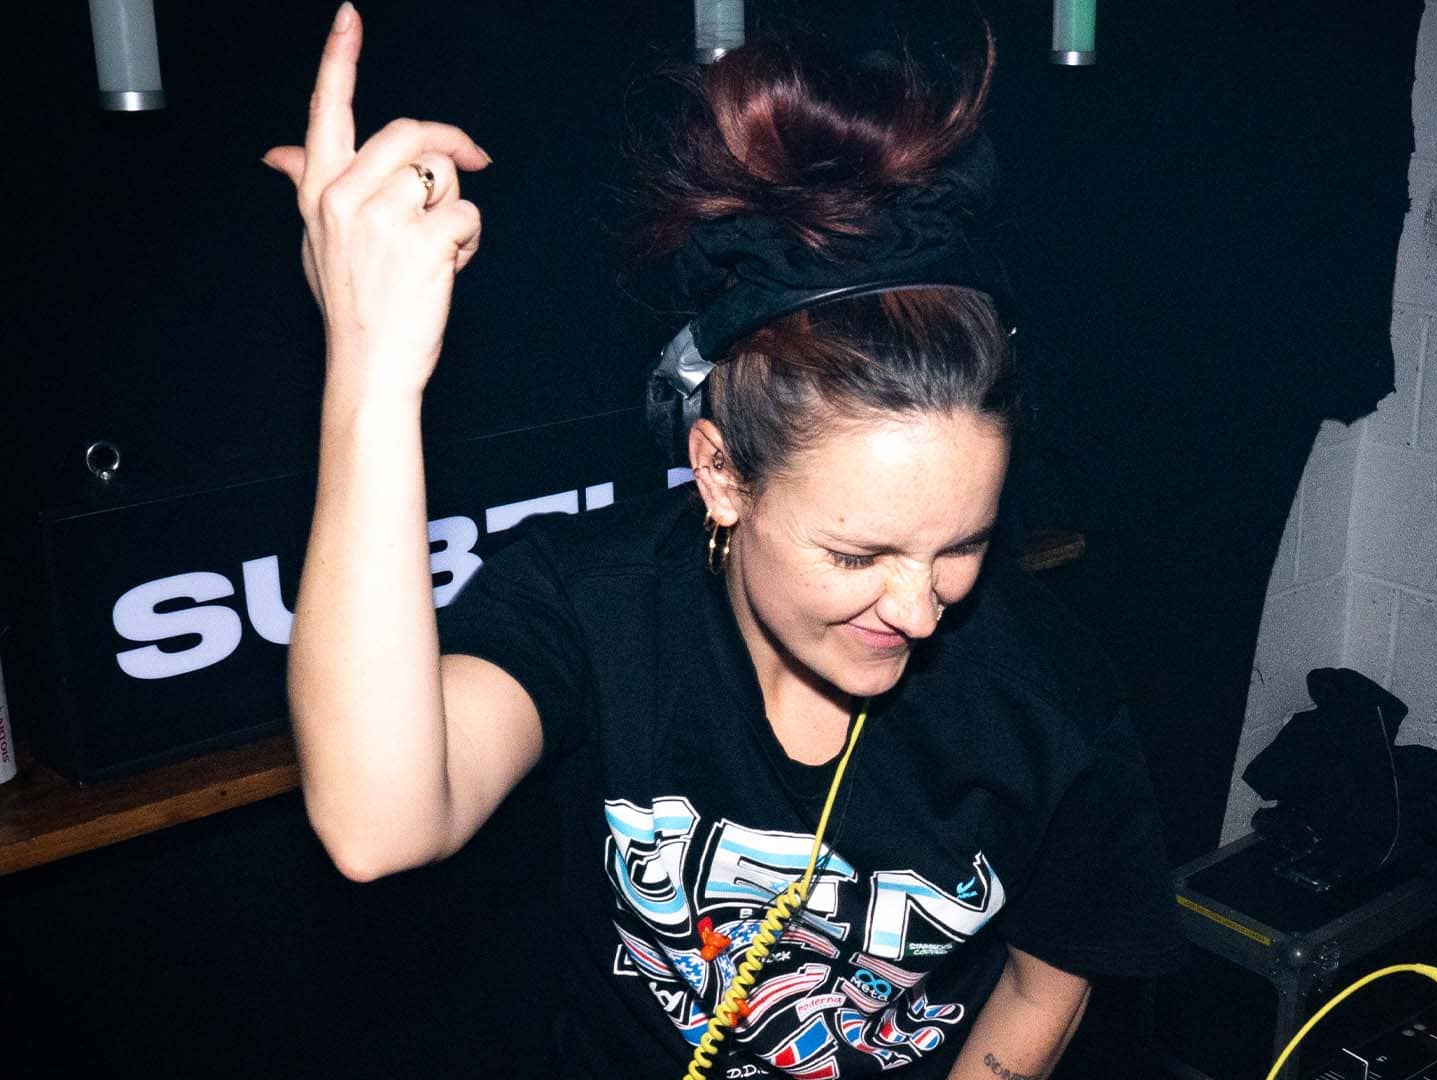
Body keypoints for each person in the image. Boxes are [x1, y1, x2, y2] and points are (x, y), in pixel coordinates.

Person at [267, 4, 1184, 1077]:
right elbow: (378, 827)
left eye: (960, 547)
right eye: (859, 555)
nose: (920, 610)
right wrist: (373, 370)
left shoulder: (1047, 695)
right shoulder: (594, 603)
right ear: (719, 474)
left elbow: (1046, 977)